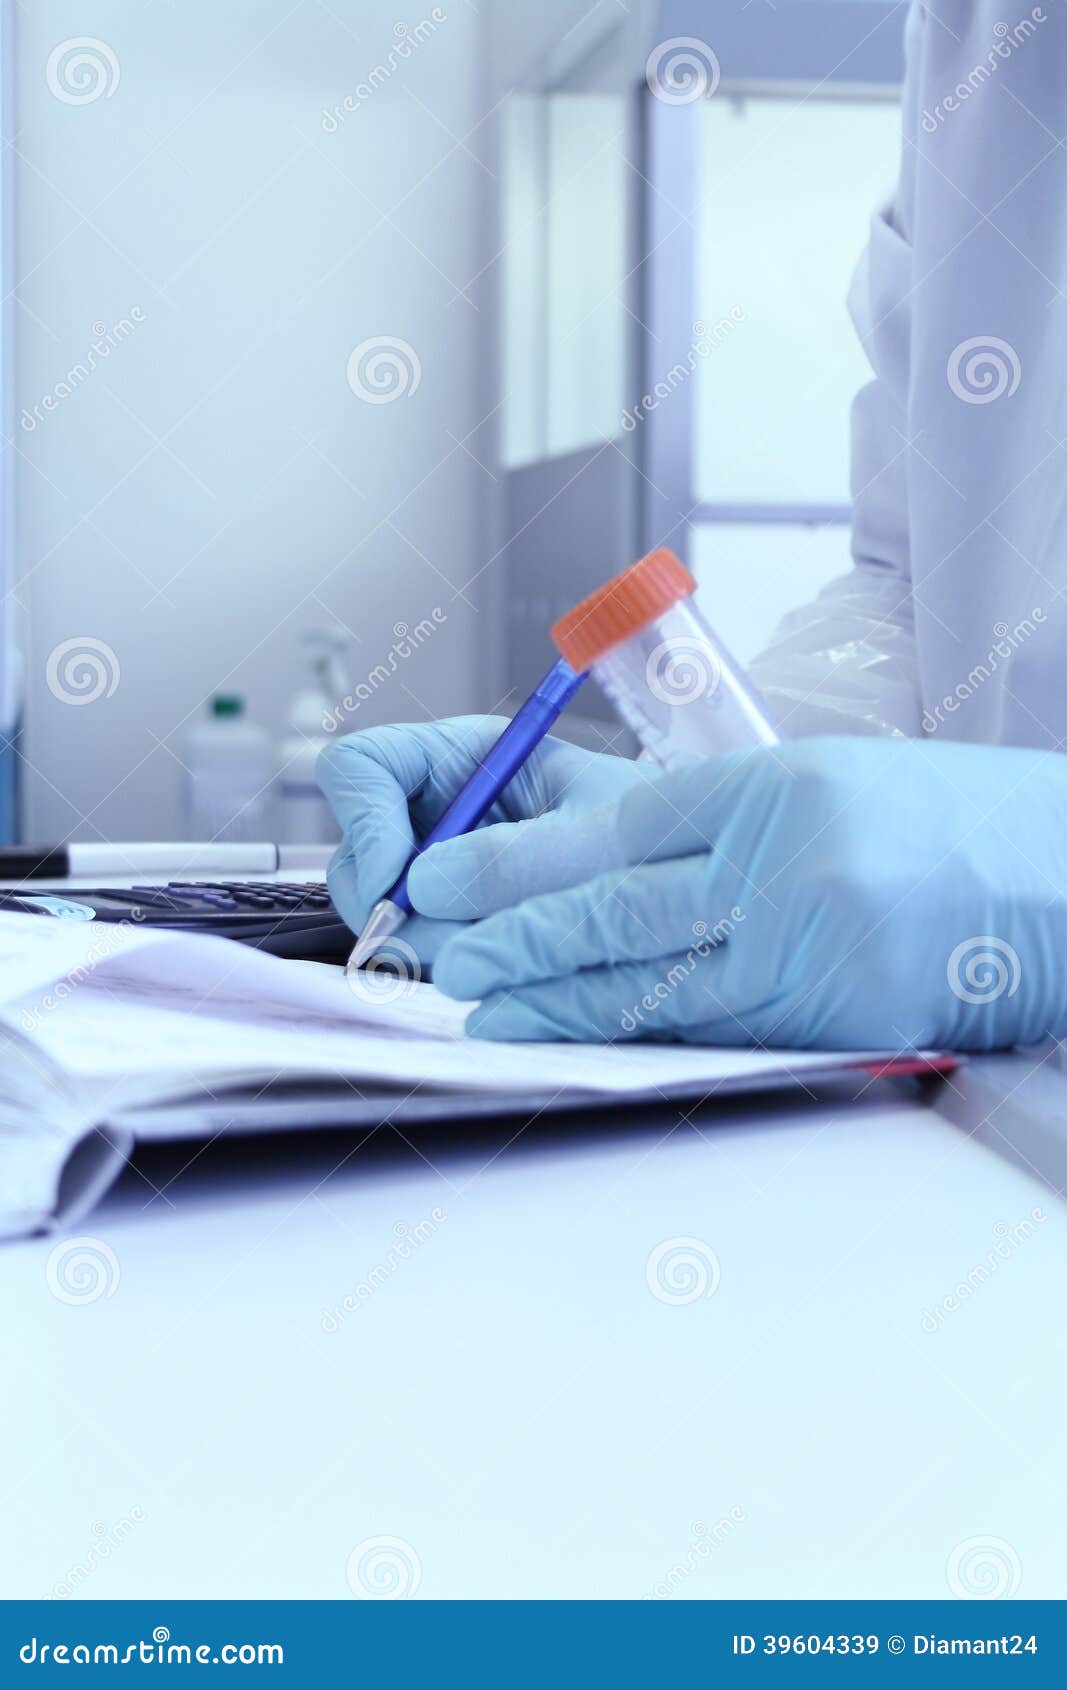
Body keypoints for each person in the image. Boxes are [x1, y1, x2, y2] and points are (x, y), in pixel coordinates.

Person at [319, 0, 1067, 1052]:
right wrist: (678, 809)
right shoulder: (967, 30)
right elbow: (912, 587)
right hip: (981, 1085)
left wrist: (1036, 869)